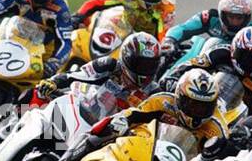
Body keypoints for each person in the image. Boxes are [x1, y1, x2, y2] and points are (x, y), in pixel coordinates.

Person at [45, 68, 227, 161]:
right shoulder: (163, 101)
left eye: (204, 108)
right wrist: (123, 120)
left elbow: (215, 160)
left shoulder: (216, 129)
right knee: (106, 128)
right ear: (179, 96)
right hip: (141, 144)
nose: (196, 112)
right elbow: (135, 113)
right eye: (192, 104)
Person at [32, 32, 161, 116]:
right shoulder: (108, 65)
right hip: (85, 115)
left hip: (114, 137)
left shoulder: (154, 92)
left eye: (150, 65)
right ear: (126, 57)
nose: (144, 70)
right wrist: (54, 81)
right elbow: (74, 75)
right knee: (41, 91)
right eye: (139, 63)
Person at [161, 25, 252, 117]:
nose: (249, 63)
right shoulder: (221, 52)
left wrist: (245, 128)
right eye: (244, 56)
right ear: (234, 48)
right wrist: (173, 77)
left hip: (231, 117)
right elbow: (191, 64)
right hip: (201, 99)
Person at [159, 0, 252, 71]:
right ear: (222, 14)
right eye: (231, 17)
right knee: (171, 55)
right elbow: (184, 28)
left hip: (232, 69)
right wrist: (170, 40)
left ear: (247, 18)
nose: (234, 22)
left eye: (239, 18)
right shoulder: (210, 17)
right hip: (203, 60)